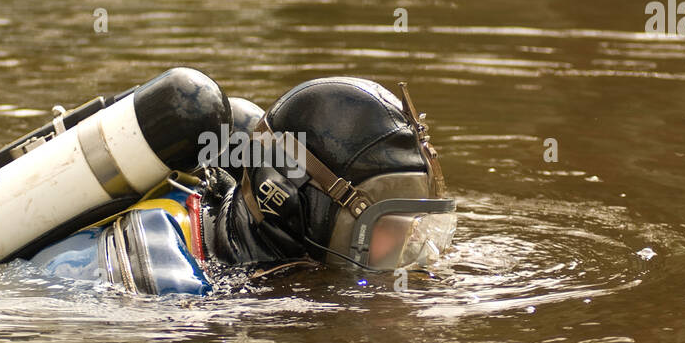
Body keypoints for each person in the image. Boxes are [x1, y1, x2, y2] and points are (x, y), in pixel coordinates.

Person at [25, 74, 457, 295]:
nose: (411, 249)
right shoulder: (168, 290)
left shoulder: (258, 234)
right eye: (390, 225)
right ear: (285, 201)